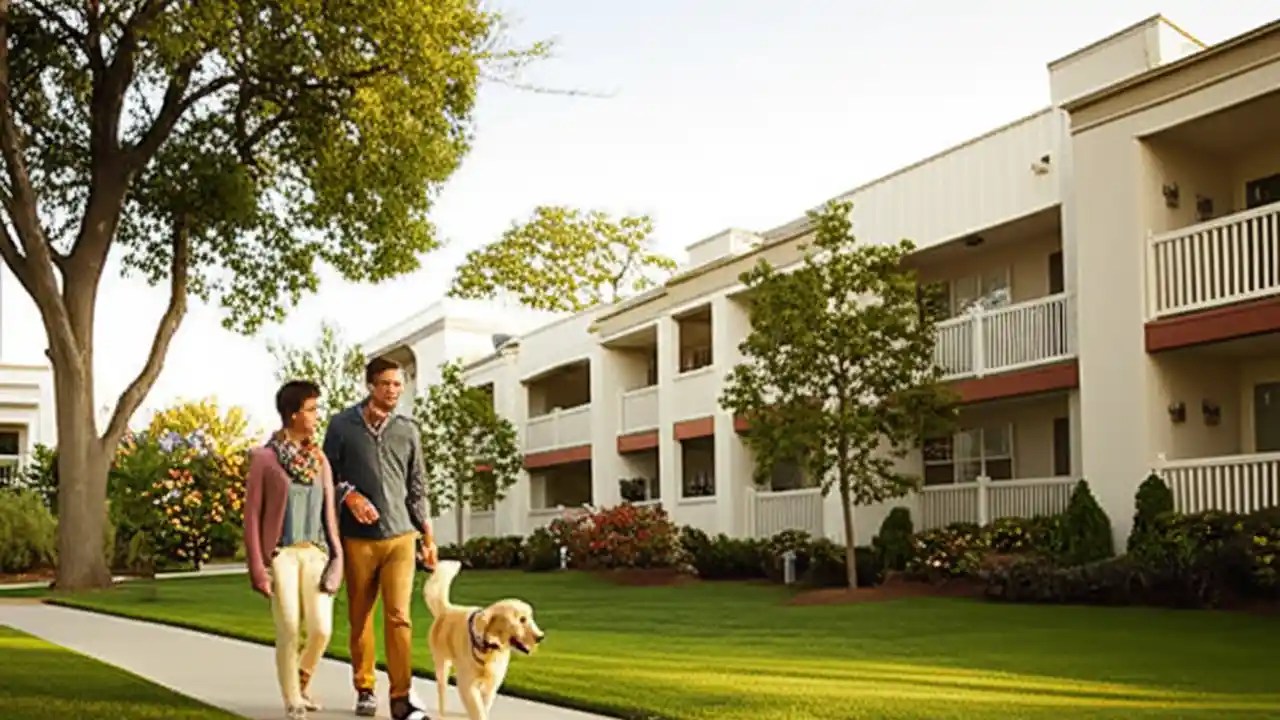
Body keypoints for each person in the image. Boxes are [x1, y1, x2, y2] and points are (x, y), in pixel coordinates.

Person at [323, 356, 438, 720]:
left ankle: (401, 696)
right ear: (370, 385)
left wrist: (428, 537)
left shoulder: (408, 430)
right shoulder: (341, 425)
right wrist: (349, 496)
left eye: (398, 384)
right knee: (360, 617)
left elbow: (417, 487)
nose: (393, 390)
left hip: (401, 536)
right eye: (386, 383)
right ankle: (365, 687)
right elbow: (325, 477)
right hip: (358, 539)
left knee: (399, 617)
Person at [243, 380, 344, 720]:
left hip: (316, 553)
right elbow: (252, 516)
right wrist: (257, 568)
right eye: (312, 409)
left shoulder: (320, 460)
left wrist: (337, 557)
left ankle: (302, 679)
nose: (317, 415)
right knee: (288, 626)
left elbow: (329, 514)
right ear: (293, 414)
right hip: (281, 555)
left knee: (321, 629)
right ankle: (292, 698)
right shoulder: (264, 459)